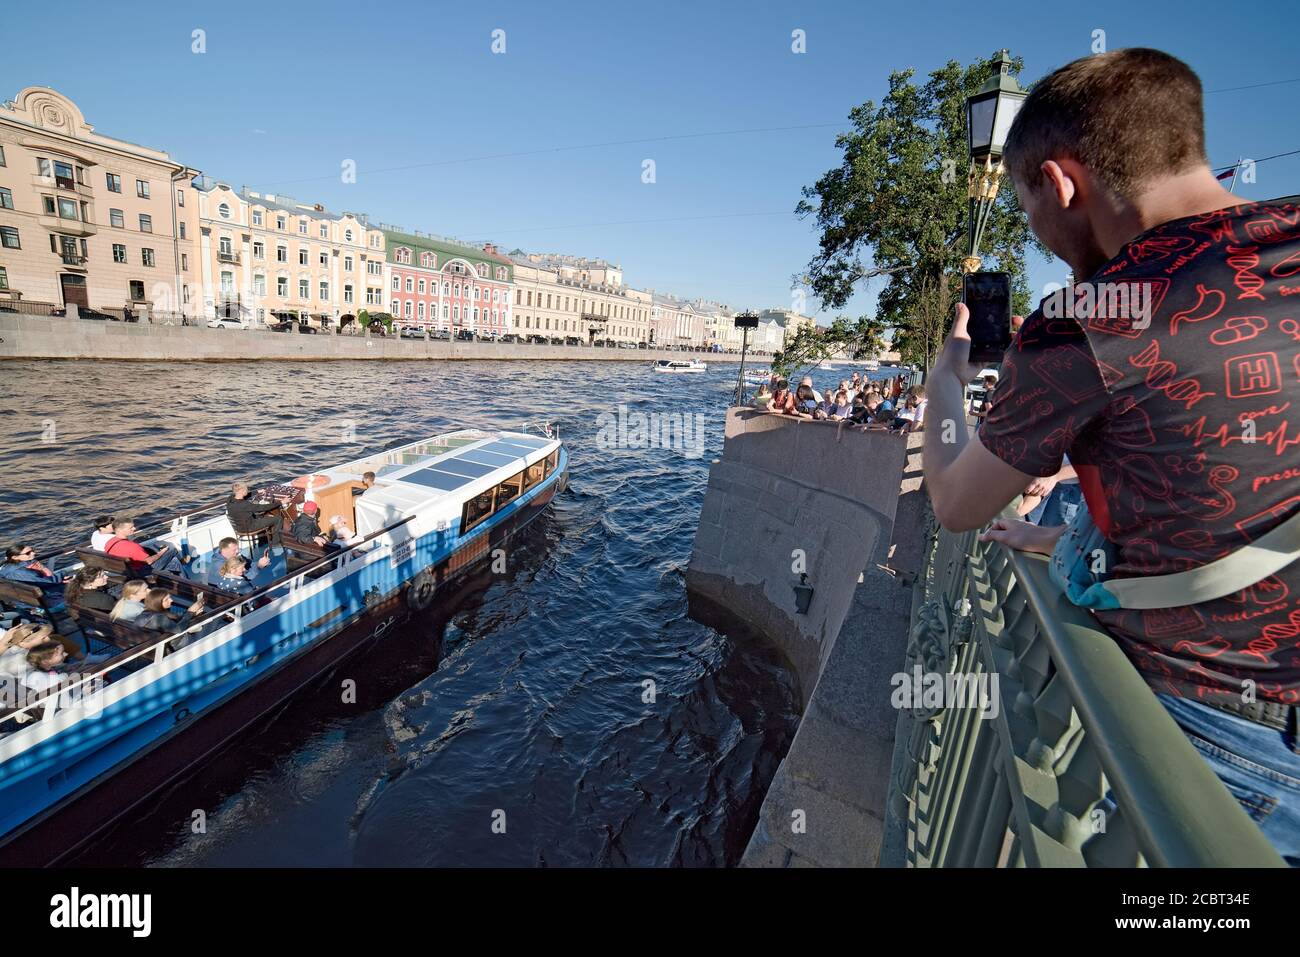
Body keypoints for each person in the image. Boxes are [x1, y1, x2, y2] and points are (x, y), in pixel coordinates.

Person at [921, 48, 1300, 860]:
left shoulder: (1090, 319)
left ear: (1061, 183)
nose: (1044, 239)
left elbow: (954, 502)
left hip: (1217, 738)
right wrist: (1072, 541)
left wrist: (943, 383)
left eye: (1030, 213)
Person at [102, 519, 186, 574]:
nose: (134, 528)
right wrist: (161, 553)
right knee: (172, 550)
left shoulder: (109, 543)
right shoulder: (132, 546)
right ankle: (184, 565)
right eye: (131, 527)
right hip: (141, 571)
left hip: (125, 571)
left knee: (172, 563)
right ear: (120, 530)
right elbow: (149, 561)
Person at [226, 482, 283, 547]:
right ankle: (276, 543)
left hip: (238, 527)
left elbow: (246, 495)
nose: (247, 490)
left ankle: (262, 541)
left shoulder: (230, 499)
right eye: (246, 489)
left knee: (259, 516)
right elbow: (262, 508)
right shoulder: (244, 504)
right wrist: (280, 502)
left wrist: (257, 491)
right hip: (249, 527)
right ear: (241, 491)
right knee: (278, 518)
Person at [133, 588, 206, 633]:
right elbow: (178, 629)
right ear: (158, 603)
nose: (171, 600)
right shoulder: (158, 618)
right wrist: (190, 612)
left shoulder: (146, 613)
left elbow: (173, 617)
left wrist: (192, 613)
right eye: (166, 599)